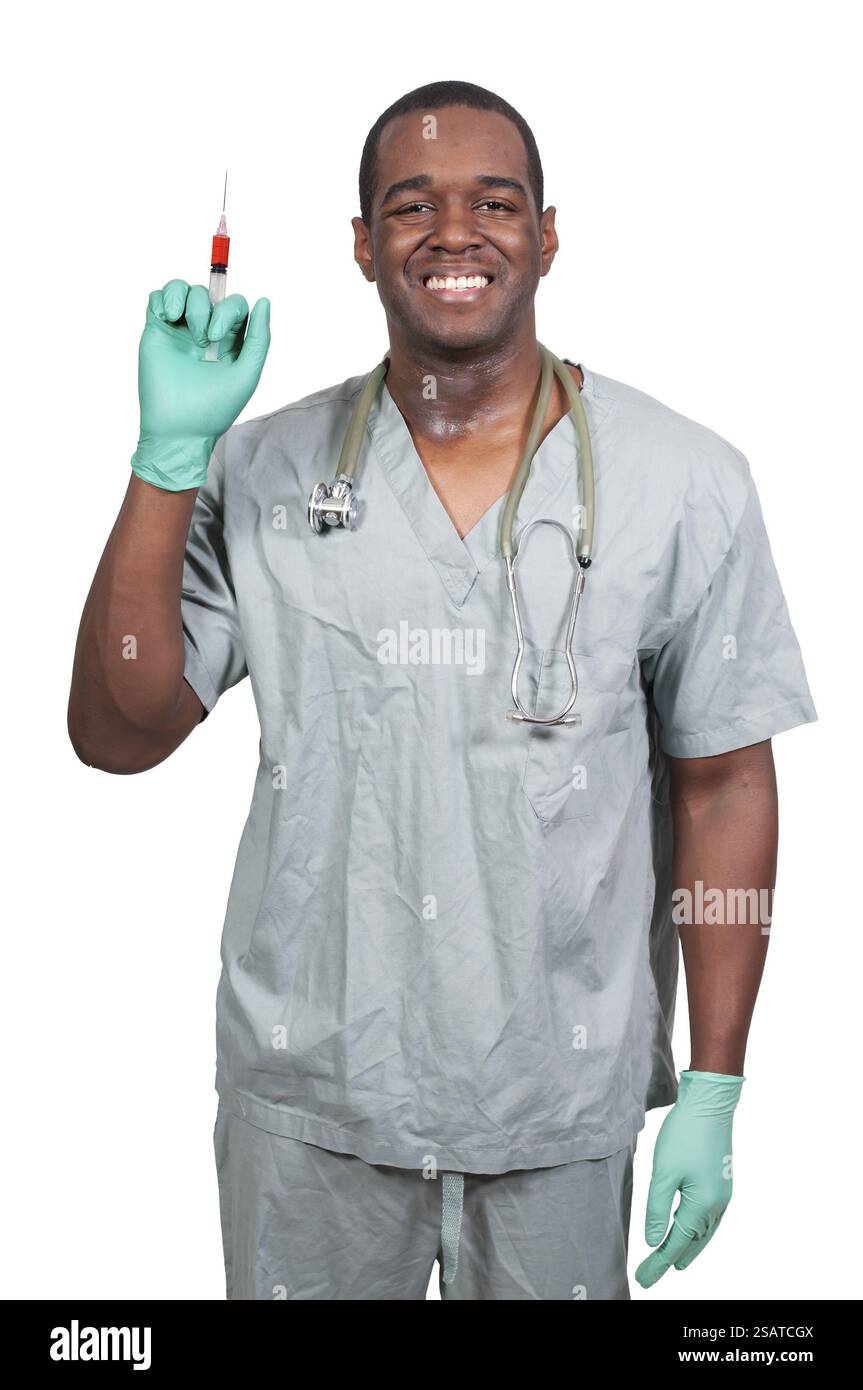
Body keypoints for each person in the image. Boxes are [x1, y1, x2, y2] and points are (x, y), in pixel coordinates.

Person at [67, 79, 817, 1301]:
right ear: (361, 245)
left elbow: (725, 774)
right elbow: (117, 729)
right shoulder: (261, 469)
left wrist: (718, 1085)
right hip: (311, 1104)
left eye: (495, 203)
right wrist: (167, 463)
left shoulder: (682, 482)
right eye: (410, 205)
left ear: (549, 233)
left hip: (555, 1109)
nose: (453, 233)